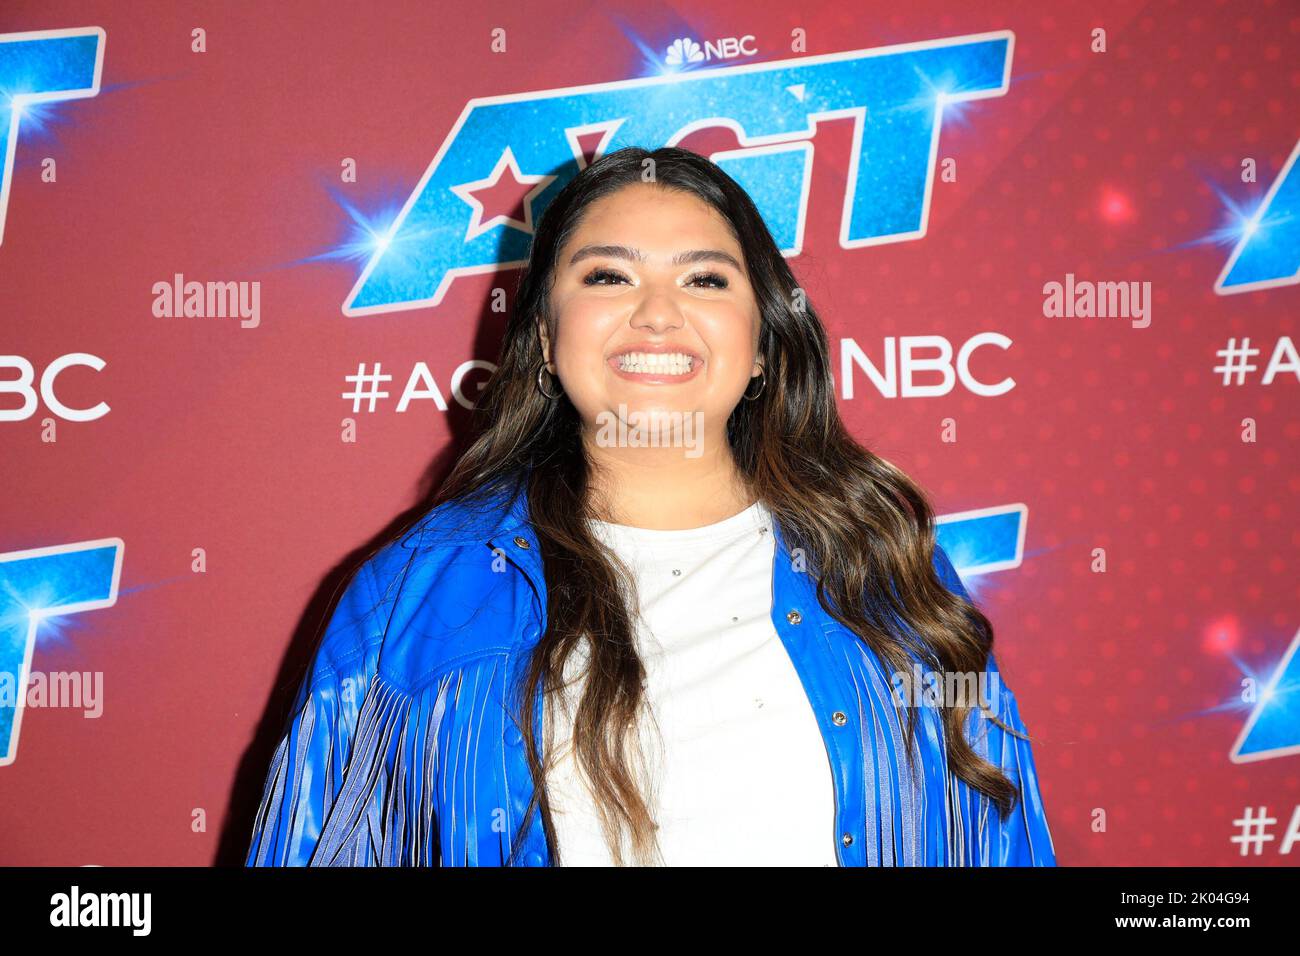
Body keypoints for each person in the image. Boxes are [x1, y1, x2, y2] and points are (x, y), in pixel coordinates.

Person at [245, 145, 1056, 866]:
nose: (658, 313)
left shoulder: (881, 570)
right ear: (543, 343)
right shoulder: (413, 594)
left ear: (766, 345)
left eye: (705, 278)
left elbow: (998, 840)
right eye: (608, 276)